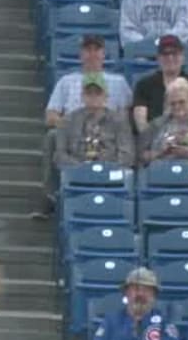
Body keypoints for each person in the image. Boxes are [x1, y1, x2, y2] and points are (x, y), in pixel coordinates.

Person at [37, 35, 134, 218]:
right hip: (74, 134)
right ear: (81, 54)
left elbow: (126, 113)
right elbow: (50, 116)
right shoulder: (67, 81)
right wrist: (70, 126)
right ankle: (50, 197)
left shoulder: (118, 83)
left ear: (104, 54)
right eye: (87, 50)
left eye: (96, 50)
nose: (92, 54)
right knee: (53, 137)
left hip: (108, 134)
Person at [54, 75, 136, 170]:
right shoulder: (68, 121)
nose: (93, 97)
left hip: (110, 171)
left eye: (98, 93)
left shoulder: (119, 121)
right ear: (82, 97)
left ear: (106, 97)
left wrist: (107, 168)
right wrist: (81, 168)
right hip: (77, 170)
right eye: (89, 93)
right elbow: (60, 154)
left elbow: (127, 155)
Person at [130, 34, 188, 133]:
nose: (170, 58)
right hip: (153, 139)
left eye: (175, 53)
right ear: (158, 58)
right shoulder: (143, 85)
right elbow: (141, 122)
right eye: (165, 54)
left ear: (183, 56)